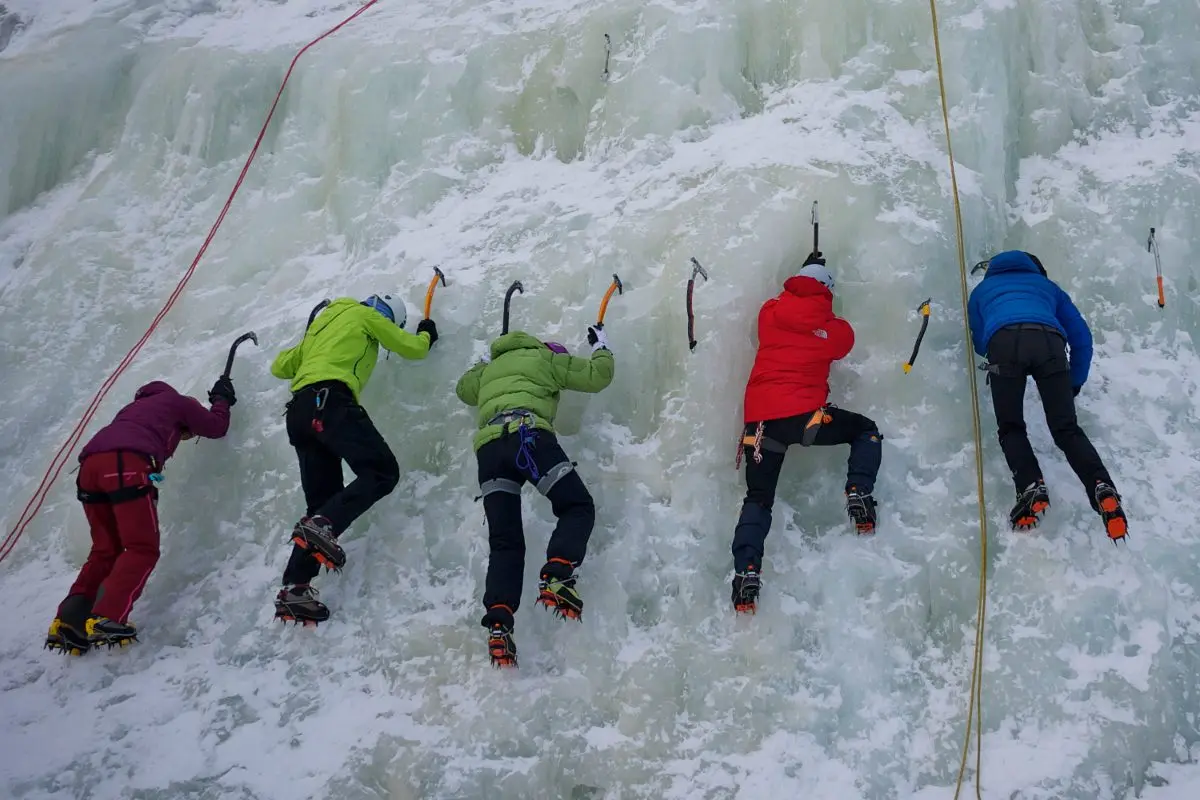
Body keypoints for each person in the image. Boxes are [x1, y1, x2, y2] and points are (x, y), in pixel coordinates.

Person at [270, 294, 437, 624]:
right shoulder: (366, 317)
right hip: (331, 402)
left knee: (323, 503)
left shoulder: (322, 326)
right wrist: (427, 333)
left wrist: (310, 343)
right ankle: (324, 526)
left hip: (299, 413)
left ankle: (296, 589)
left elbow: (279, 366)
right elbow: (412, 348)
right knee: (382, 471)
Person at [730, 252, 883, 614]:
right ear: (828, 292)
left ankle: (745, 574)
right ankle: (858, 490)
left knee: (758, 498)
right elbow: (843, 341)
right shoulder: (832, 328)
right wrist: (823, 310)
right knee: (866, 430)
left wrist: (803, 270)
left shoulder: (769, 313)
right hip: (806, 418)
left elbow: (782, 304)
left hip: (760, 425)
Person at [455, 326, 614, 667]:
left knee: (505, 542)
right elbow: (598, 376)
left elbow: (464, 389)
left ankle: (498, 622)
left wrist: (482, 362)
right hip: (528, 438)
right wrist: (602, 347)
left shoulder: (491, 370)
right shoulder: (546, 358)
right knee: (576, 506)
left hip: (489, 451)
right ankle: (558, 571)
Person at [45, 378, 236, 655]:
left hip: (89, 468)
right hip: (127, 464)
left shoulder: (133, 410)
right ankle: (108, 616)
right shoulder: (178, 402)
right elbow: (216, 427)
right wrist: (222, 400)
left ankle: (69, 621)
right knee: (142, 547)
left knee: (104, 549)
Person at [968, 250, 1127, 540]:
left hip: (1003, 343)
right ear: (1034, 268)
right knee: (1066, 429)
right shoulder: (1048, 288)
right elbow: (1082, 338)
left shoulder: (982, 291)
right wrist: (1074, 382)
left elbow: (979, 340)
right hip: (1049, 342)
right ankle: (1102, 487)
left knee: (1011, 427)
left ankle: (1030, 486)